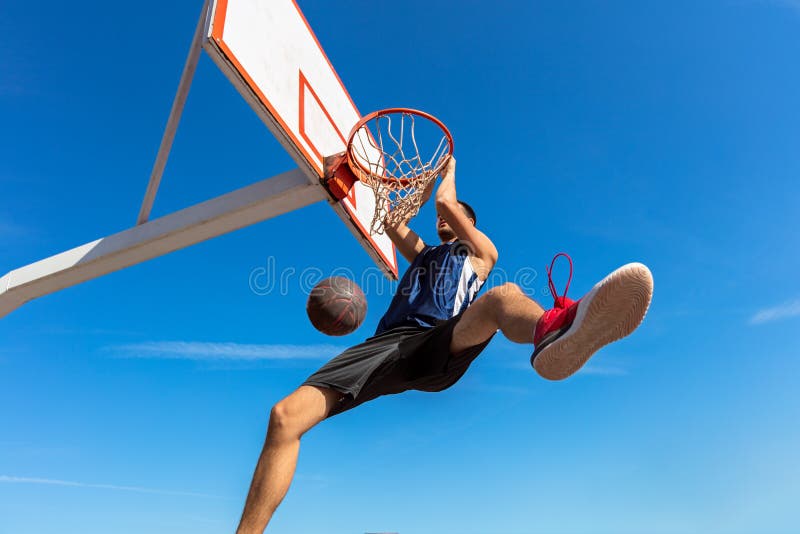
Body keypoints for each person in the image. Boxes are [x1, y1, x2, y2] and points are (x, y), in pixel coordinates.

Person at [235, 157, 653, 533]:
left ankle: (554, 331)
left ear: (468, 225)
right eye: (440, 223)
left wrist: (446, 174)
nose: (442, 223)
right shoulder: (423, 255)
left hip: (440, 340)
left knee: (502, 298)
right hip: (387, 347)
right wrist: (363, 174)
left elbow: (447, 206)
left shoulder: (480, 253)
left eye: (451, 220)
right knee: (285, 417)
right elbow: (392, 225)